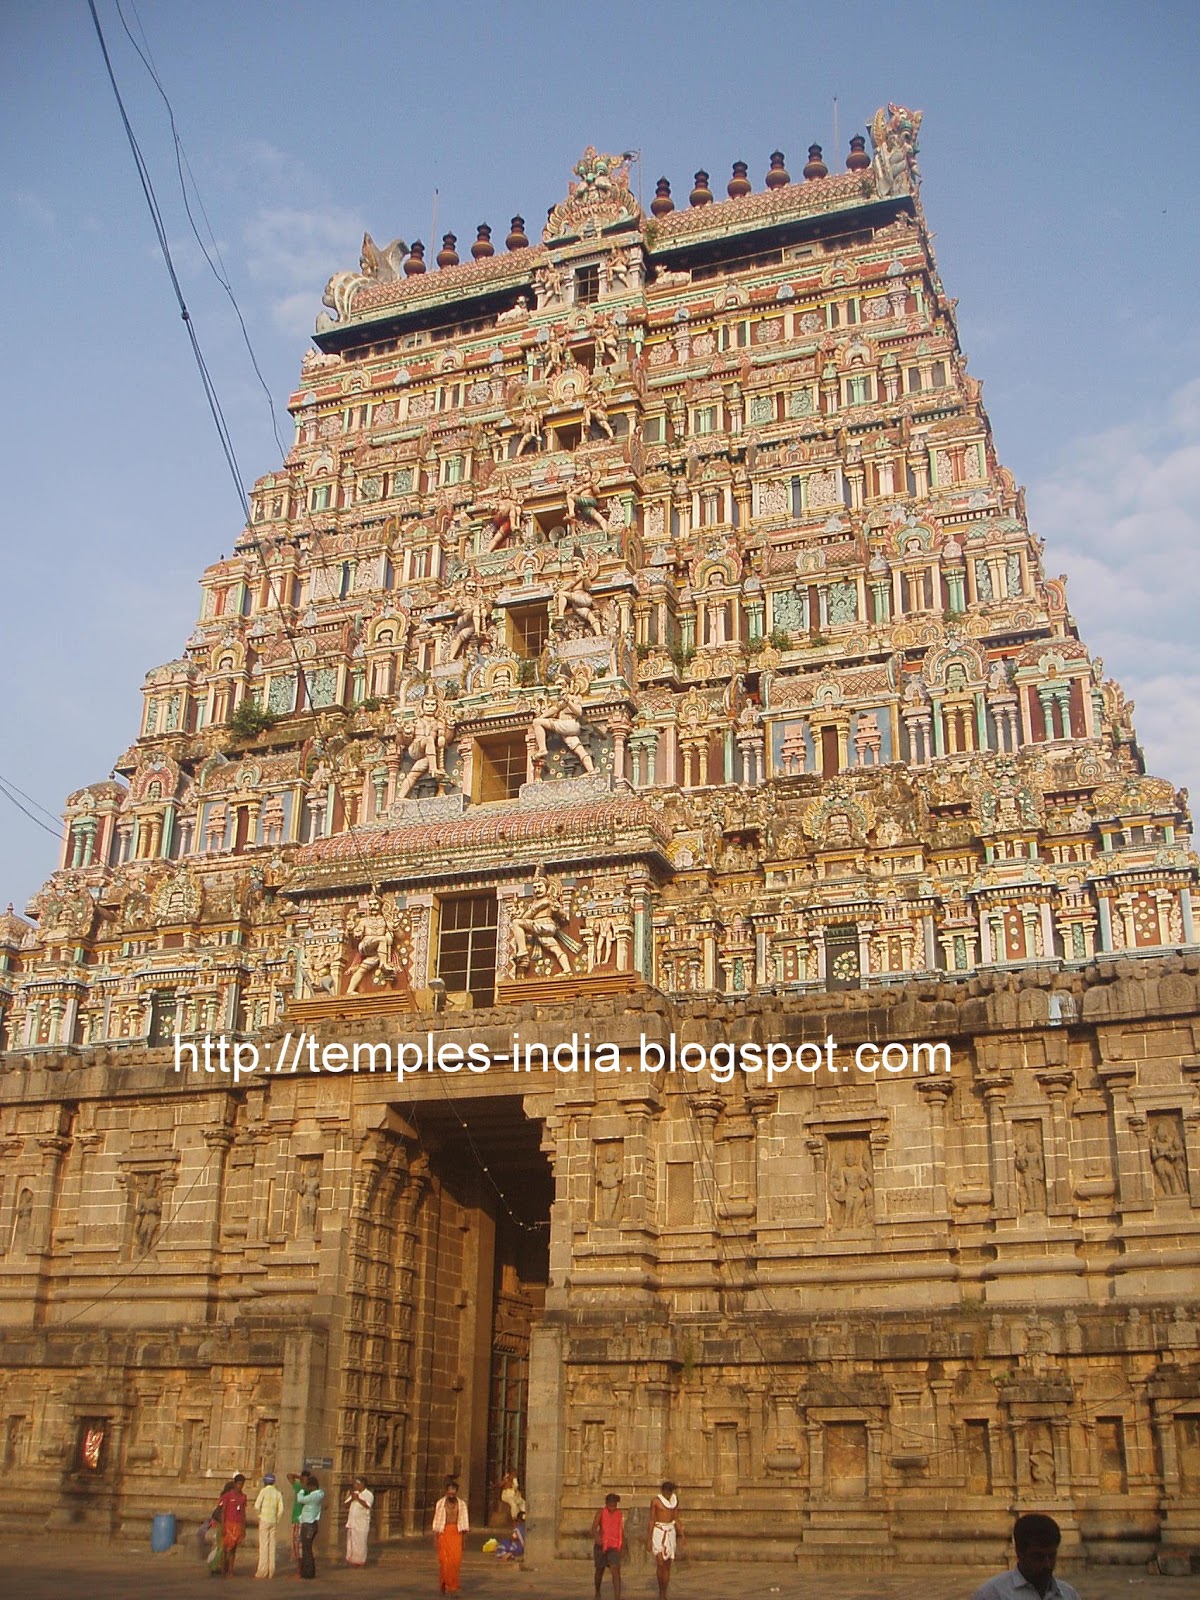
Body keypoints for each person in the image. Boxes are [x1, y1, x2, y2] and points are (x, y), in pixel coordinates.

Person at [971, 1513, 1080, 1600]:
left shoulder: (1068, 1595)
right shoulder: (992, 1594)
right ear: (1019, 1552)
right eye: (1038, 1557)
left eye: (1051, 1556)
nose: (1047, 1565)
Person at [647, 1482, 685, 1599]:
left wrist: (682, 1535)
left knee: (668, 1564)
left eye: (670, 1491)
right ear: (662, 1490)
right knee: (660, 1562)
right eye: (666, 1491)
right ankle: (660, 1589)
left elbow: (676, 1518)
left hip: (670, 1531)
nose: (668, 1494)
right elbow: (652, 1520)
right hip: (659, 1532)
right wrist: (649, 1538)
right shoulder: (656, 1501)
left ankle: (664, 1590)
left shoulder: (674, 1501)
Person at [432, 1477, 469, 1593]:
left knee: (456, 1561)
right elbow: (436, 1520)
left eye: (453, 1491)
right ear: (446, 1492)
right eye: (449, 1491)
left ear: (456, 1492)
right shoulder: (440, 1503)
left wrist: (464, 1540)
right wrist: (435, 1537)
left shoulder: (462, 1504)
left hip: (456, 1533)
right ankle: (449, 1584)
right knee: (445, 1560)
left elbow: (464, 1523)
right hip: (444, 1532)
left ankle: (451, 1583)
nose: (451, 1493)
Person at [592, 1493, 625, 1599]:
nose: (612, 1505)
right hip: (601, 1545)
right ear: (606, 1503)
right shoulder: (600, 1512)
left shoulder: (619, 1514)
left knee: (615, 1569)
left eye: (614, 1503)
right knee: (599, 1570)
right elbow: (594, 1528)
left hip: (614, 1546)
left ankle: (617, 1596)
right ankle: (597, 1591)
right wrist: (597, 1538)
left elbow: (620, 1530)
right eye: (610, 1503)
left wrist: (623, 1545)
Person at [253, 1472, 284, 1579]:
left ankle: (262, 1571)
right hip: (273, 1521)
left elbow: (257, 1506)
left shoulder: (263, 1491)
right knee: (272, 1546)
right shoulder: (278, 1493)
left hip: (264, 1520)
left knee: (264, 1546)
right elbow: (281, 1510)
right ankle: (271, 1571)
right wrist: (277, 1519)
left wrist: (259, 1516)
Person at [295, 1472, 326, 1581]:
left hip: (308, 1524)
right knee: (307, 1549)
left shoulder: (314, 1496)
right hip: (312, 1524)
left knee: (306, 1549)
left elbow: (300, 1499)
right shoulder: (320, 1494)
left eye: (308, 1486)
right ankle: (309, 1571)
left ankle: (308, 1572)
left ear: (312, 1486)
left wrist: (302, 1490)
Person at [218, 1473, 248, 1577]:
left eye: (242, 1484)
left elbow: (243, 1512)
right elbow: (223, 1511)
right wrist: (223, 1526)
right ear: (235, 1484)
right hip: (228, 1524)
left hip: (238, 1524)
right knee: (226, 1548)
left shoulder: (243, 1497)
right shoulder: (227, 1496)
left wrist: (243, 1527)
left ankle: (230, 1570)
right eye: (239, 1484)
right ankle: (223, 1569)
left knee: (234, 1549)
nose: (240, 1486)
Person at [344, 1475, 374, 1567]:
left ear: (362, 1484)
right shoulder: (354, 1493)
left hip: (362, 1523)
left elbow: (368, 1505)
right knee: (351, 1542)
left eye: (357, 1484)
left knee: (360, 1543)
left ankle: (360, 1561)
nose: (355, 1485)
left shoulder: (368, 1494)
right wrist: (352, 1498)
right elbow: (345, 1504)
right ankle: (351, 1560)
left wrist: (358, 1498)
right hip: (352, 1522)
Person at [285, 1471, 311, 1575]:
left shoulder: (306, 1489)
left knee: (299, 1546)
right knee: (297, 1546)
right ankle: (301, 1569)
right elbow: (288, 1475)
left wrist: (301, 1479)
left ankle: (300, 1570)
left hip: (301, 1520)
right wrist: (299, 1477)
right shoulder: (299, 1486)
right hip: (298, 1520)